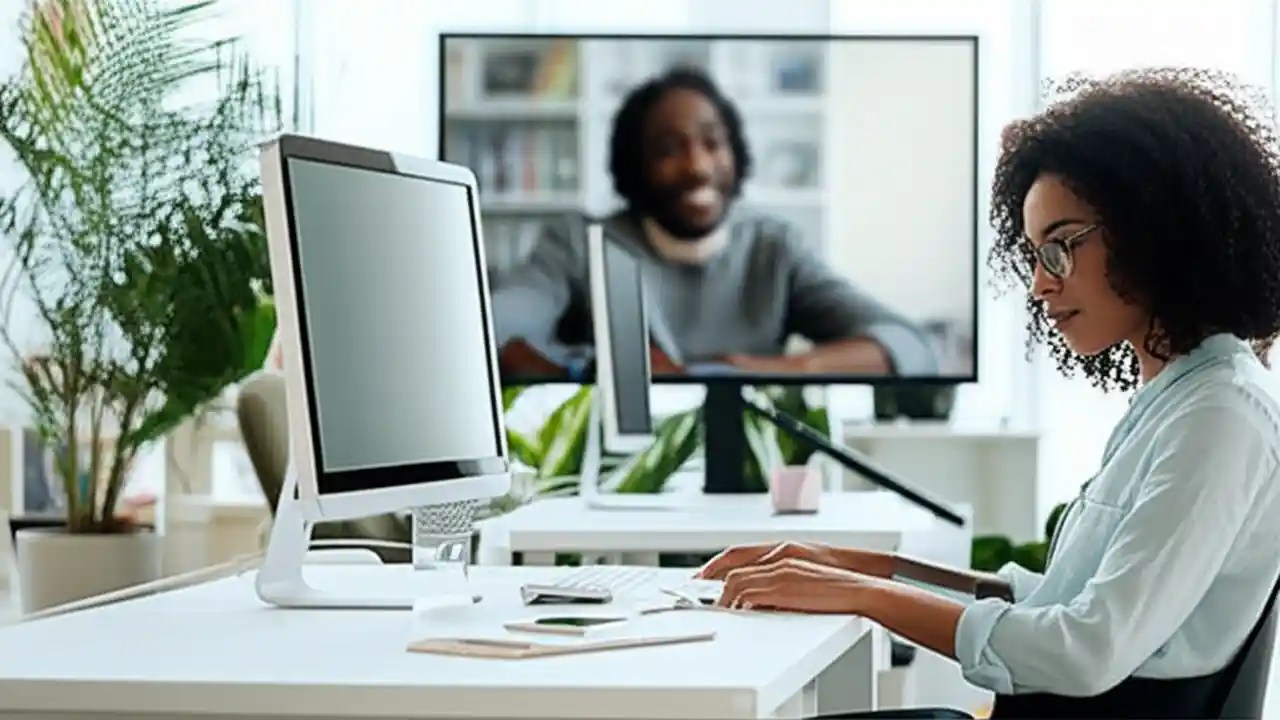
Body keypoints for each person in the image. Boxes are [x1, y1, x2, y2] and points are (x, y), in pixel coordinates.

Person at [696, 67, 1280, 718]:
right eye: (1033, 254)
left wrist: (860, 595)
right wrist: (848, 566)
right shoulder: (1181, 400)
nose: (1040, 284)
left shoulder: (1221, 417)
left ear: (1156, 228)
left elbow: (1083, 649)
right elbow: (1059, 600)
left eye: (1060, 248)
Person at [490, 67, 936, 379]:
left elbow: (910, 347)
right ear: (634, 166)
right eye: (668, 149)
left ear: (735, 152)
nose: (698, 167)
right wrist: (593, 367)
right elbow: (494, 330)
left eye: (712, 142)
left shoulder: (772, 249)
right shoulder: (579, 243)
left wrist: (753, 370)